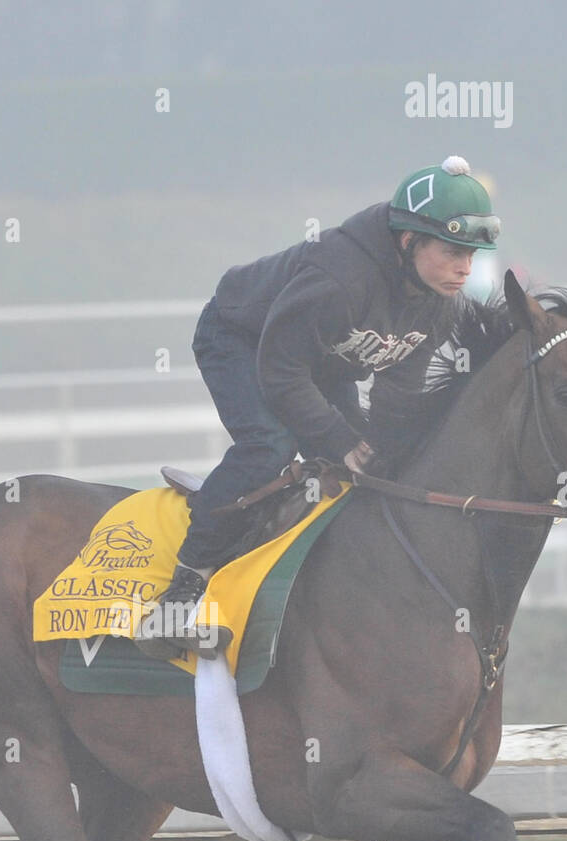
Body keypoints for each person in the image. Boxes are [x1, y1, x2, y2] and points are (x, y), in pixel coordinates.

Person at [136, 155, 500, 658]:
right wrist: (341, 441)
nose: (465, 269)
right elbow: (280, 373)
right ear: (408, 240)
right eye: (453, 252)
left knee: (371, 470)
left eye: (472, 256)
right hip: (244, 341)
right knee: (269, 445)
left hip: (320, 362)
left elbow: (399, 392)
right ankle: (178, 600)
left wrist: (384, 450)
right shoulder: (340, 280)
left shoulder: (440, 302)